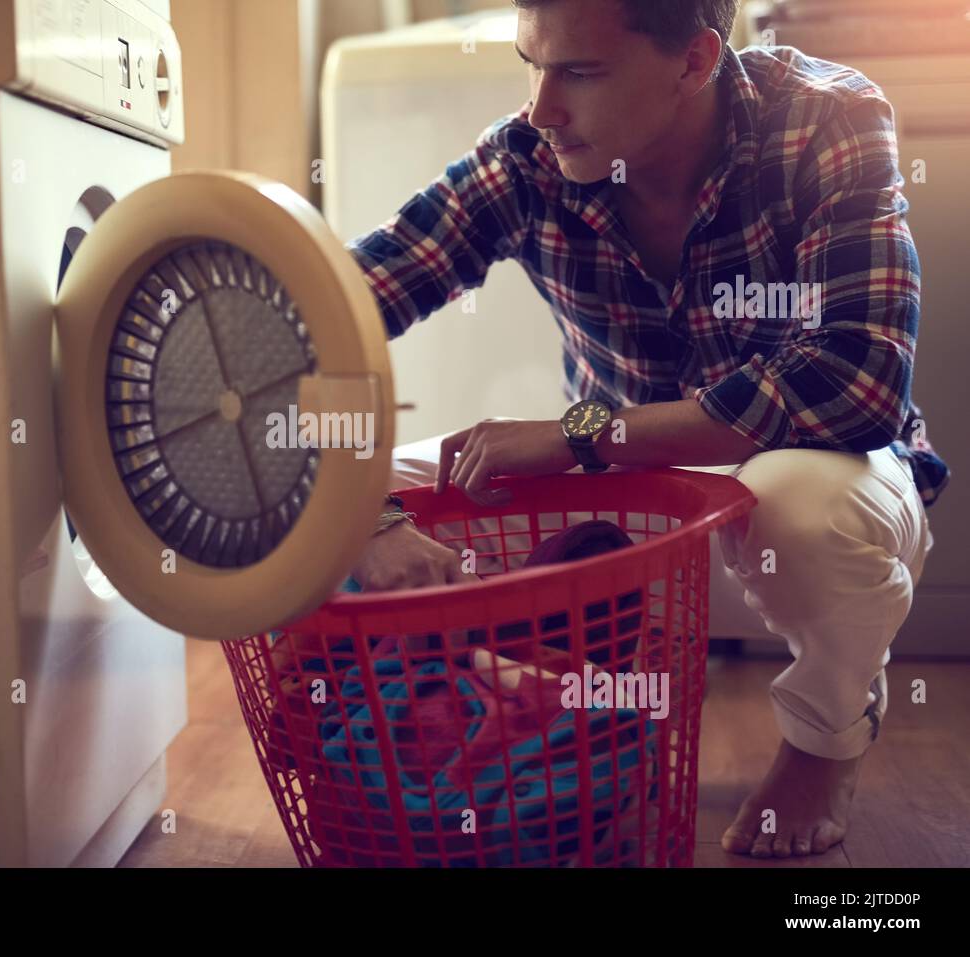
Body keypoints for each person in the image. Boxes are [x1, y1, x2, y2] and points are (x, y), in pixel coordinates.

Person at [343, 0, 948, 859]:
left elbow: (859, 381)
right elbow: (327, 309)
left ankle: (825, 737)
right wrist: (368, 517)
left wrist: (582, 434)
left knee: (806, 505)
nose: (541, 108)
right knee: (352, 500)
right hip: (617, 515)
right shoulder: (523, 158)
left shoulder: (827, 117)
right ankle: (546, 709)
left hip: (788, 488)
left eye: (580, 73)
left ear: (696, 61)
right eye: (532, 64)